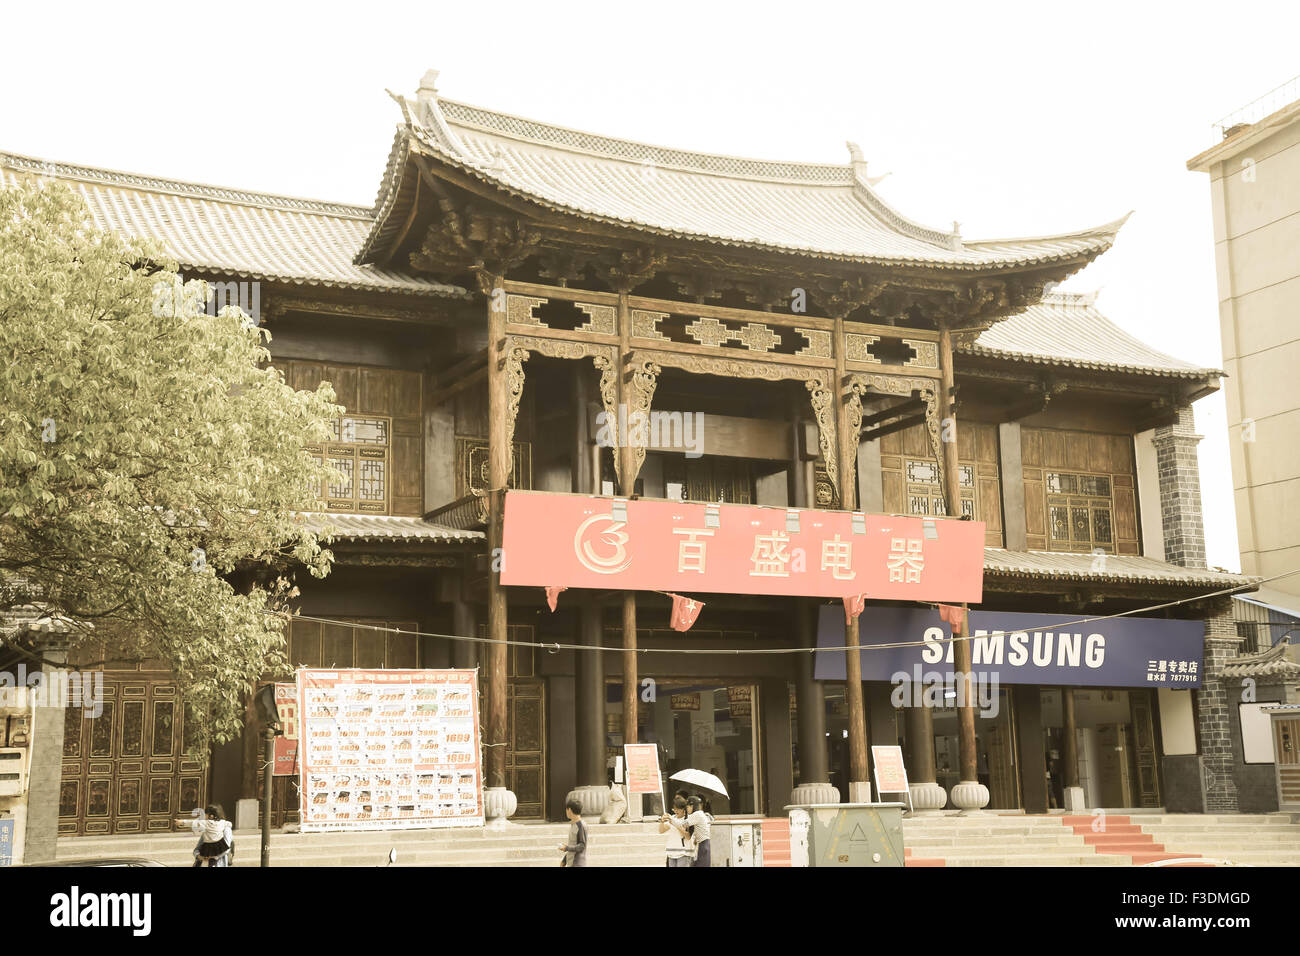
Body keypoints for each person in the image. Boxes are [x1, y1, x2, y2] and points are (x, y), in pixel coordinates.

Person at [659, 795, 692, 867]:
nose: (676, 811)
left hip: (683, 853)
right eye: (674, 809)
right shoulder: (672, 818)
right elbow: (661, 831)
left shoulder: (688, 819)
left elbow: (687, 836)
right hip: (672, 852)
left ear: (684, 809)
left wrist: (675, 823)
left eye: (678, 809)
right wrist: (662, 821)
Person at [558, 798, 588, 867]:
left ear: (569, 810)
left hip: (577, 863)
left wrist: (566, 848)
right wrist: (564, 860)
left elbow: (582, 846)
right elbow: (573, 844)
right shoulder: (574, 825)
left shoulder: (580, 825)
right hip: (572, 863)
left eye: (566, 809)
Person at [685, 795, 712, 868]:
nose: (687, 809)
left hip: (702, 845)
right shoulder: (702, 814)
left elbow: (683, 824)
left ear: (692, 806)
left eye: (687, 807)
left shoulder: (697, 814)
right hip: (703, 844)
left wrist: (671, 820)